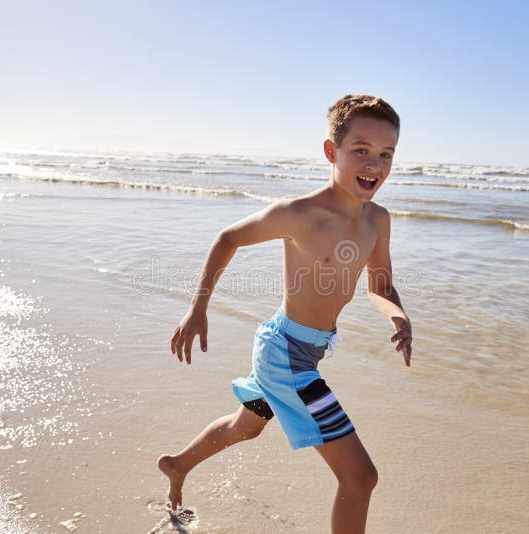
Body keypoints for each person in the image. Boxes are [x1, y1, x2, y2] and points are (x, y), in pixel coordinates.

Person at [160, 94, 412, 534]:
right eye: (362, 150)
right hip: (286, 356)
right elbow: (227, 238)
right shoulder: (299, 215)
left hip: (302, 349)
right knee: (360, 477)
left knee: (247, 426)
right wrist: (198, 308)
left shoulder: (378, 220)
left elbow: (380, 284)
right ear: (332, 152)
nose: (374, 164)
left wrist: (396, 315)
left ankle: (177, 465)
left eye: (386, 154)